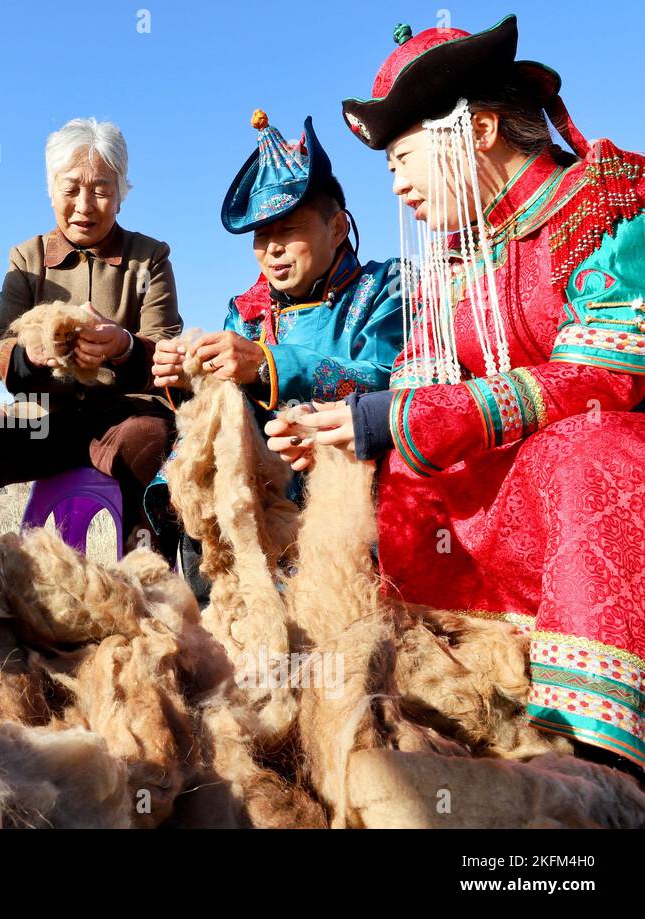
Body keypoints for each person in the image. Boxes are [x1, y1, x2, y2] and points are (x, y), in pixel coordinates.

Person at [268, 15, 645, 773]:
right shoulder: (455, 265)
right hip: (504, 517)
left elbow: (604, 377)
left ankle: (598, 747)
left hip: (604, 488)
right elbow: (415, 384)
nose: (398, 185)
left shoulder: (603, 204)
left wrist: (404, 418)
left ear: (476, 131)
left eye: (406, 160)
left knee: (588, 447)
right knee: (390, 477)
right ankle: (445, 684)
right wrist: (340, 430)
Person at [146, 112, 404, 592]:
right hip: (260, 498)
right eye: (262, 238)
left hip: (354, 494)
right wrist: (188, 381)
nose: (273, 250)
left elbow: (392, 381)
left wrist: (266, 365)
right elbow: (221, 404)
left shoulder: (387, 287)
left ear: (338, 226)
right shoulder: (245, 311)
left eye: (289, 230)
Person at [0, 118, 182, 581]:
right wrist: (35, 356)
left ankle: (148, 599)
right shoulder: (26, 259)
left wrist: (122, 346)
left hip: (124, 418)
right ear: (50, 189)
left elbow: (166, 349)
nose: (85, 206)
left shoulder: (150, 258)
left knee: (148, 439)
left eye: (102, 189)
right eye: (70, 189)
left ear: (123, 190)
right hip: (48, 421)